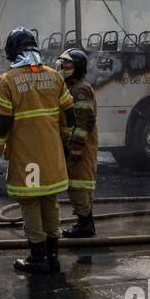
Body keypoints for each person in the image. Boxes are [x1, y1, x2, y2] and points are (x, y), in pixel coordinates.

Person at [0, 27, 79, 274]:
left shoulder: (7, 81)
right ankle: (53, 257)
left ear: (13, 51)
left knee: (31, 204)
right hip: (52, 155)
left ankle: (37, 258)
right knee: (50, 202)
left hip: (28, 158)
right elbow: (69, 115)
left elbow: (1, 124)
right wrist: (66, 141)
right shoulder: (55, 77)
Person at [56, 48, 98, 237]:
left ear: (77, 67)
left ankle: (85, 225)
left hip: (81, 144)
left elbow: (85, 120)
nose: (63, 66)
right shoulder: (72, 86)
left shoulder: (80, 89)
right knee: (76, 182)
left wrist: (77, 146)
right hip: (76, 142)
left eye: (68, 63)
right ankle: (84, 220)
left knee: (79, 183)